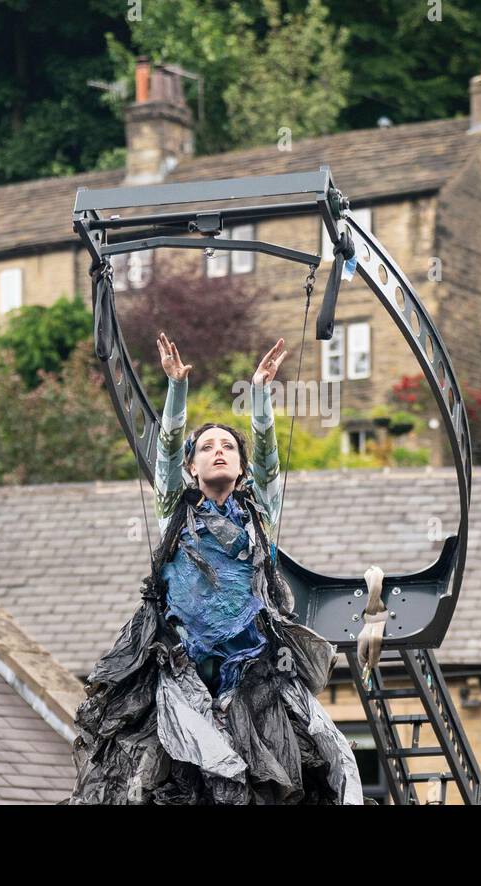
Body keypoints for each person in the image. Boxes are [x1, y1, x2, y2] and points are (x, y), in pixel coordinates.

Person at [66, 333, 364, 805]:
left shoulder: (257, 513)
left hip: (255, 668)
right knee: (180, 773)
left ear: (242, 469)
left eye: (228, 445)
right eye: (206, 447)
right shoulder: (175, 511)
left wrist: (262, 392)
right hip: (186, 665)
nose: (218, 450)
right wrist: (176, 388)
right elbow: (164, 451)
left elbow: (269, 461)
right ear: (191, 468)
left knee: (328, 755)